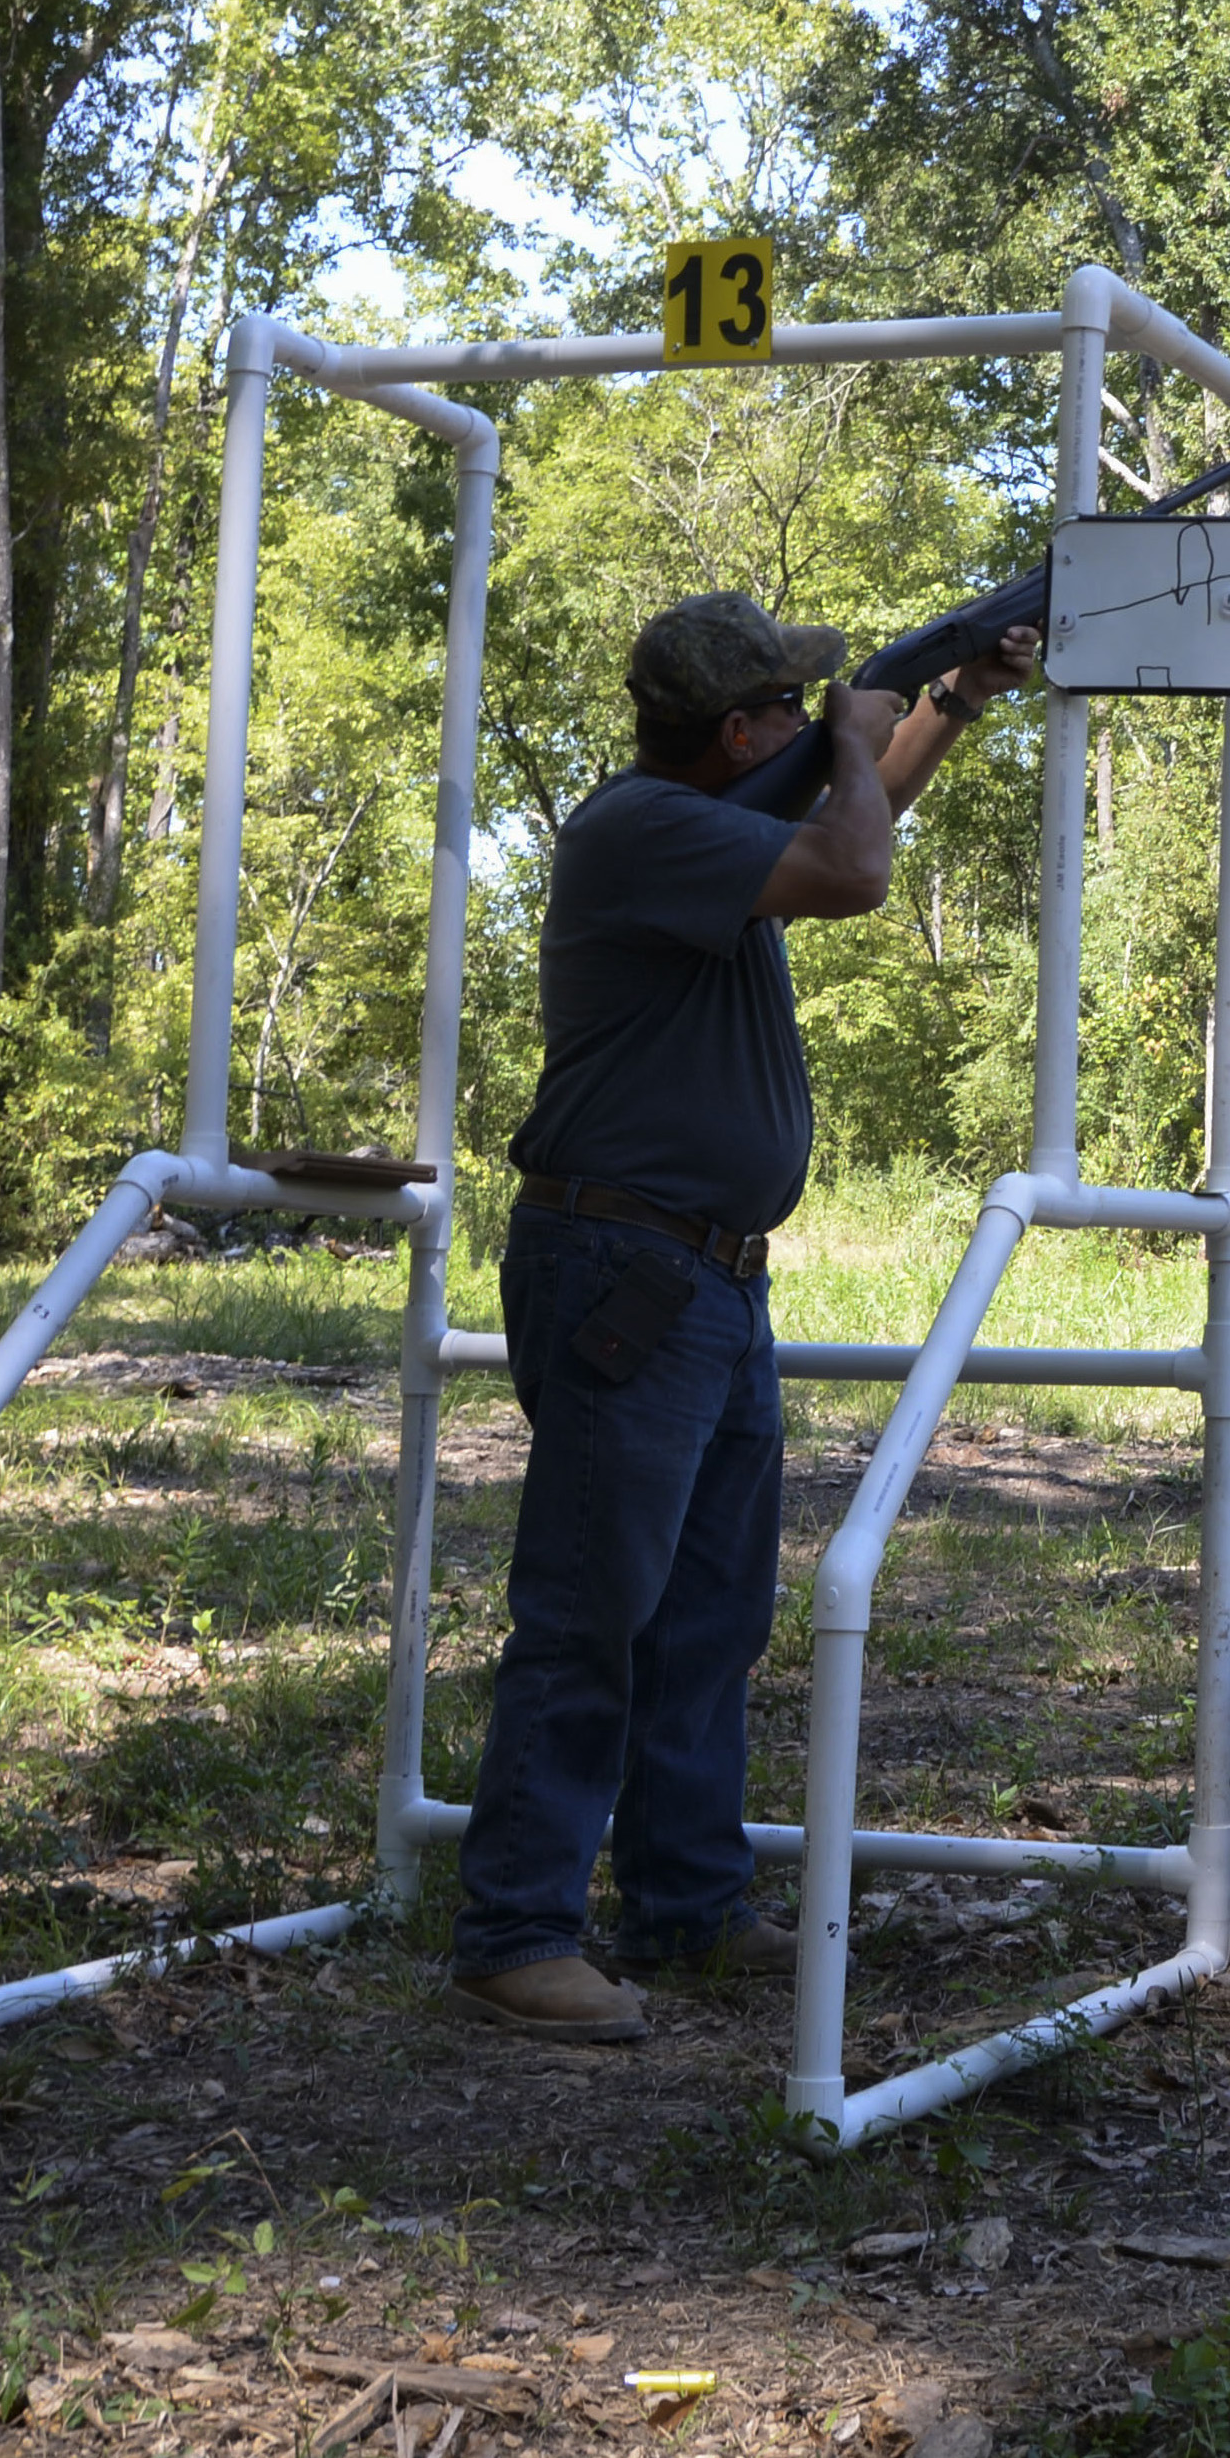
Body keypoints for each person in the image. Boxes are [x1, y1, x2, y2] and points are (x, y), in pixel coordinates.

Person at [445, 592, 1034, 2041]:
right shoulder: (640, 828)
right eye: (792, 707)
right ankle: (516, 1928)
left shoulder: (709, 831)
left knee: (709, 1612)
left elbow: (852, 827)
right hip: (629, 1275)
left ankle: (686, 1899)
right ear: (742, 731)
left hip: (702, 1275)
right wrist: (859, 735)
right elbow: (852, 867)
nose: (812, 719)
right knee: (591, 1609)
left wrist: (949, 702)